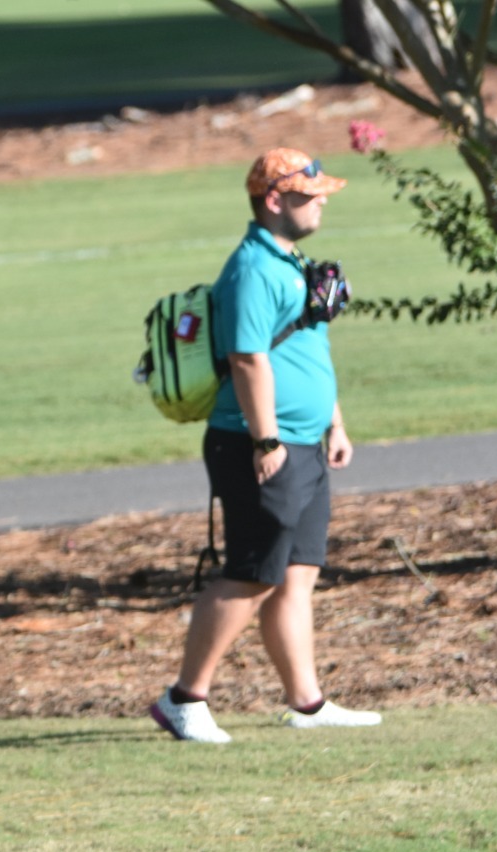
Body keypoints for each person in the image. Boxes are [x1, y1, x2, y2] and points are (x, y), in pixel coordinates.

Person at [150, 147, 383, 744]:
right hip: (259, 445)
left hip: (304, 441)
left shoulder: (290, 260)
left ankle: (307, 703)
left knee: (297, 575)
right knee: (252, 573)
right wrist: (266, 440)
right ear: (274, 201)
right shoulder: (251, 268)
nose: (322, 200)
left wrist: (334, 421)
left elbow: (306, 351)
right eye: (310, 194)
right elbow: (249, 358)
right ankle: (185, 699)